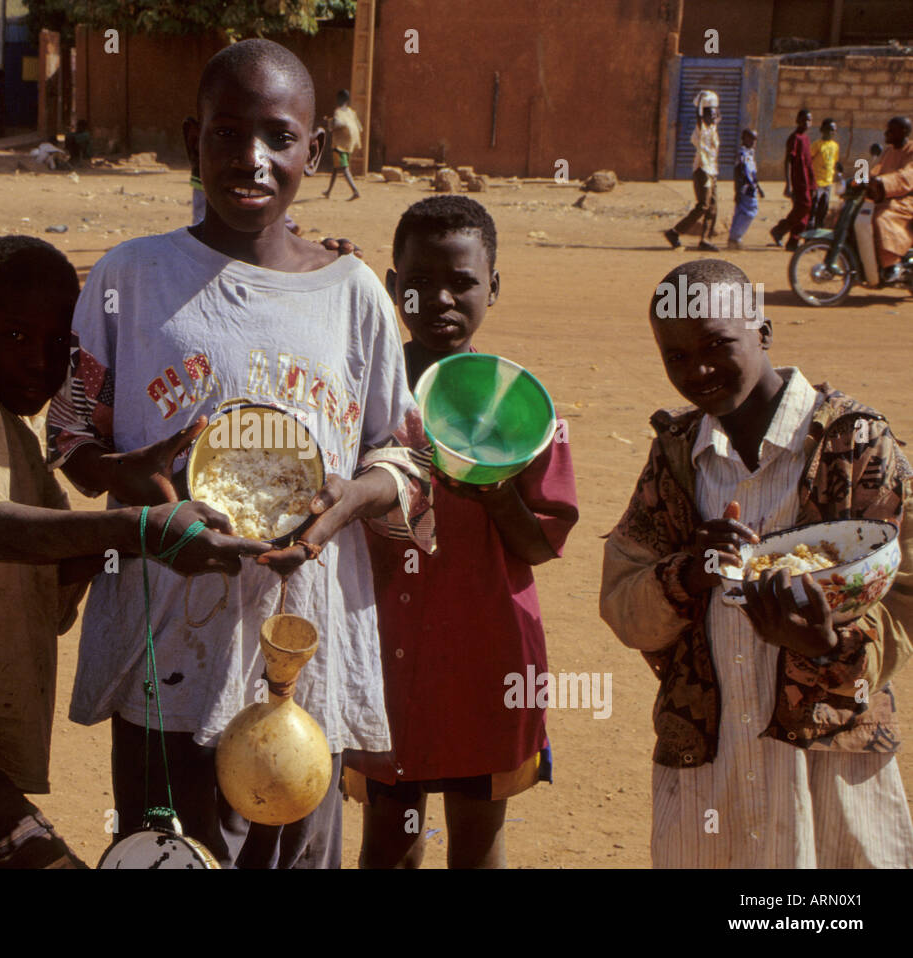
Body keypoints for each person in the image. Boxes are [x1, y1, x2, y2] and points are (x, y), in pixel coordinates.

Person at [46, 38, 434, 869]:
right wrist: (136, 483)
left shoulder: (352, 292)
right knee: (167, 852)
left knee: (292, 854)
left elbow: (405, 459)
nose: (251, 160)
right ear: (194, 141)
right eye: (227, 134)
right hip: (169, 647)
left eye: (278, 137)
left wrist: (341, 508)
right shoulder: (131, 276)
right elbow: (71, 438)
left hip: (302, 643)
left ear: (315, 152)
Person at [0, 236, 264, 869]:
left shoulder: (15, 443)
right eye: (14, 337)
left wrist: (133, 504)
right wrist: (137, 530)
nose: (39, 363)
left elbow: (43, 576)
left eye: (58, 345)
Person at [600, 257, 913, 868]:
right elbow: (622, 599)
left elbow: (903, 592)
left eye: (719, 344)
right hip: (710, 759)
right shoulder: (677, 457)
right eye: (677, 356)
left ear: (762, 329)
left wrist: (830, 643)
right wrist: (688, 574)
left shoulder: (852, 443)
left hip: (827, 757)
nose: (700, 369)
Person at [346, 196, 578, 869]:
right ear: (393, 288)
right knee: (391, 843)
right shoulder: (368, 400)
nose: (440, 299)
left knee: (476, 845)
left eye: (463, 282)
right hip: (385, 651)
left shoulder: (521, 409)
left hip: (487, 657)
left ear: (494, 288)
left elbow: (540, 544)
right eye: (418, 283)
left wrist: (496, 491)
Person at [664, 91, 720, 252]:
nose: (714, 115)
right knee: (703, 206)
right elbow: (699, 115)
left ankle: (705, 239)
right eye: (711, 113)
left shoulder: (713, 129)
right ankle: (674, 232)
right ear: (704, 114)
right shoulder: (700, 128)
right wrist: (701, 102)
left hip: (712, 170)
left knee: (713, 207)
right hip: (702, 170)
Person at [866, 116, 913, 284]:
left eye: (891, 131)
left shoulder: (911, 150)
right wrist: (859, 180)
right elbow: (876, 170)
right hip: (888, 197)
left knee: (883, 217)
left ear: (904, 132)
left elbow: (907, 176)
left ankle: (891, 264)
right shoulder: (888, 151)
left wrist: (883, 182)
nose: (886, 133)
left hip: (907, 201)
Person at [770, 110, 815, 250]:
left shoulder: (806, 139)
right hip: (798, 181)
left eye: (809, 120)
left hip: (808, 181)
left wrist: (813, 182)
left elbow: (808, 162)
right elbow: (788, 161)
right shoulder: (794, 138)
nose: (807, 123)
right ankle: (780, 229)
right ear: (798, 120)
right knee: (804, 206)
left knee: (804, 212)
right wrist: (788, 184)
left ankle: (793, 242)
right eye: (804, 120)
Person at [727, 129, 766, 250]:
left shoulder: (750, 153)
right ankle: (735, 237)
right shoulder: (742, 154)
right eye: (751, 138)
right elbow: (739, 173)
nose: (754, 141)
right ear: (744, 139)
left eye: (755, 139)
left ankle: (734, 239)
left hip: (751, 188)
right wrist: (737, 191)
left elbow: (753, 173)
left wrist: (759, 187)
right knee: (749, 212)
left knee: (741, 212)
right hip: (745, 189)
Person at [321, 88, 361, 201]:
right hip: (349, 144)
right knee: (335, 168)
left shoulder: (338, 111)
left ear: (338, 99)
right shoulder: (351, 112)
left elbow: (337, 123)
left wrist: (328, 122)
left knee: (344, 168)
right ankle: (328, 191)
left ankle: (355, 191)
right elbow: (358, 127)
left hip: (340, 144)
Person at [809, 117, 839, 228]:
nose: (832, 132)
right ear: (822, 130)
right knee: (813, 209)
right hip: (817, 182)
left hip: (828, 183)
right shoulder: (817, 145)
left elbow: (834, 162)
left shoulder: (835, 146)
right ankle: (808, 237)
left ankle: (817, 234)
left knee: (823, 210)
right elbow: (809, 161)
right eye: (829, 129)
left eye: (834, 130)